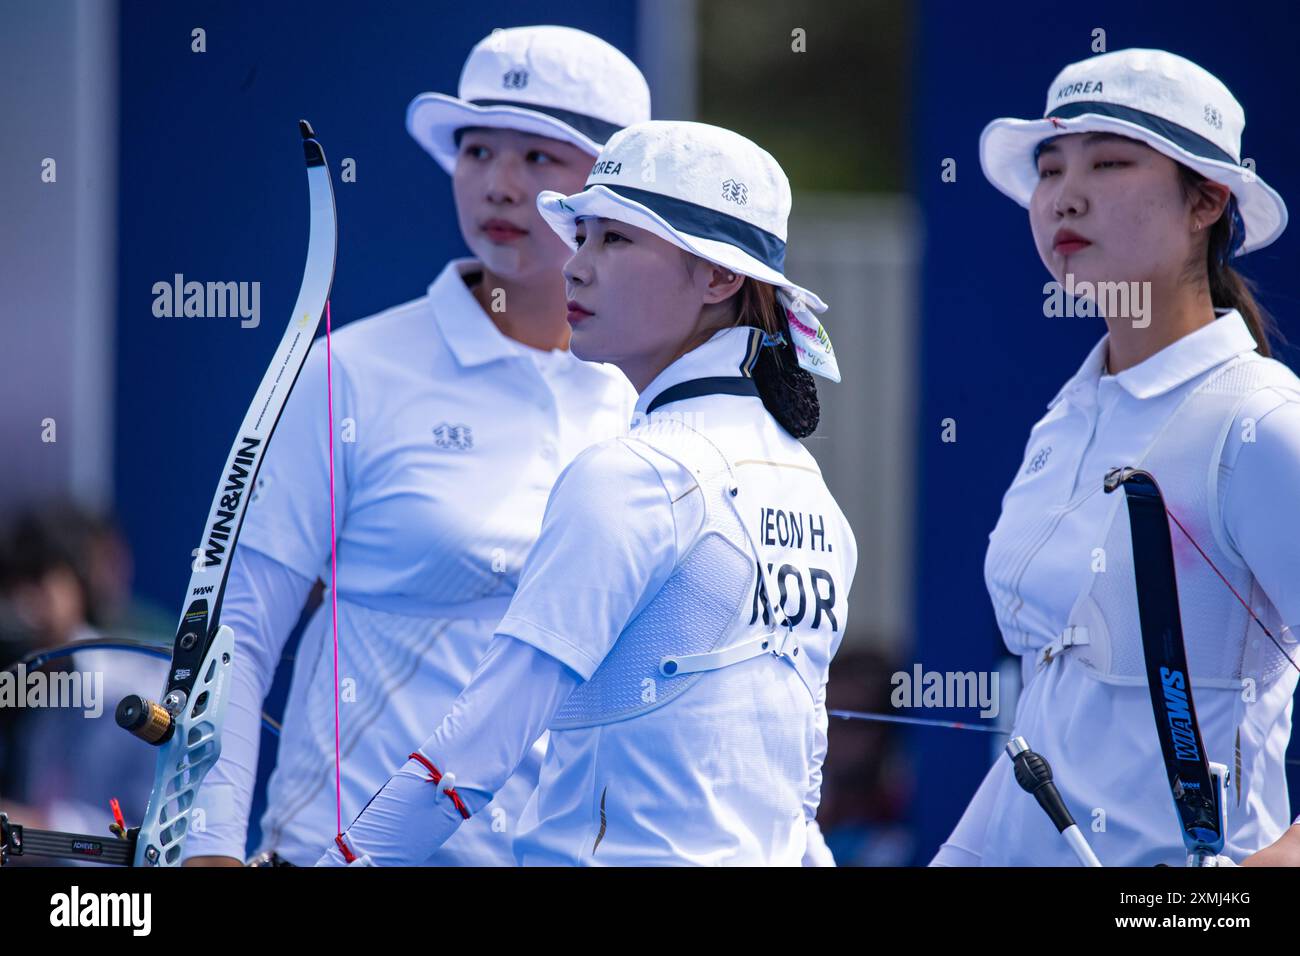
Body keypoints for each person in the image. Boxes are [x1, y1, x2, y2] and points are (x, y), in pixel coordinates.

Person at [315, 119, 858, 867]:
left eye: (616, 240)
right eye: (584, 236)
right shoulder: (809, 489)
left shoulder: (634, 473)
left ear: (719, 277)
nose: (575, 268)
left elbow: (476, 751)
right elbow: (796, 808)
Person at [182, 25, 650, 867]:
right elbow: (236, 629)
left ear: (609, 198)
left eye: (540, 158)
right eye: (476, 150)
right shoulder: (350, 372)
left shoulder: (645, 398)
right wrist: (208, 848)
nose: (498, 185)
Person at [934, 48, 1300, 866]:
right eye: (1049, 167)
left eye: (1109, 161)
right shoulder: (1068, 418)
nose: (1065, 193)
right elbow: (1047, 718)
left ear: (1206, 201)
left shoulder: (1261, 419)